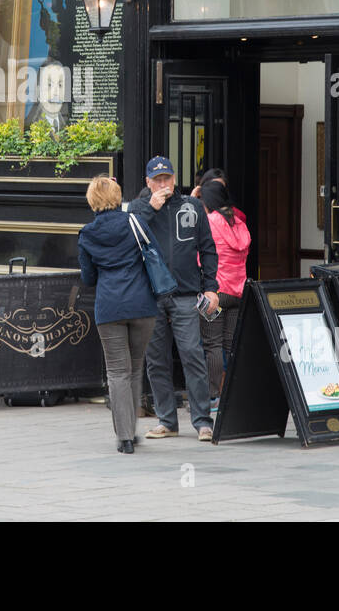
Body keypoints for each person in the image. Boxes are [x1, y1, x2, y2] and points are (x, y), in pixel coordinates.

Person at [128, 155, 219, 442]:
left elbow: (207, 248)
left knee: (192, 355)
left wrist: (211, 287)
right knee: (156, 359)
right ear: (148, 182)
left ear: (175, 178)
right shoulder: (137, 209)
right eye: (157, 180)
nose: (162, 184)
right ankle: (167, 420)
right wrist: (150, 210)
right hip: (150, 294)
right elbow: (128, 243)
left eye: (167, 178)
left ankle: (202, 421)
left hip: (185, 294)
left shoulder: (192, 207)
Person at [79, 176, 157, 454]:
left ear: (92, 201)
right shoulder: (135, 223)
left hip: (110, 306)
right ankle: (131, 430)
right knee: (135, 368)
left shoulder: (87, 234)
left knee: (117, 371)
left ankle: (124, 437)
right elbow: (154, 255)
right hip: (142, 304)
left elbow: (88, 278)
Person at [199, 179, 251, 409]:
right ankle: (236, 393)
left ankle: (213, 397)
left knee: (212, 344)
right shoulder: (238, 222)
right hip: (237, 293)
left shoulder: (209, 221)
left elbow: (199, 256)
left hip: (215, 293)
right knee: (231, 345)